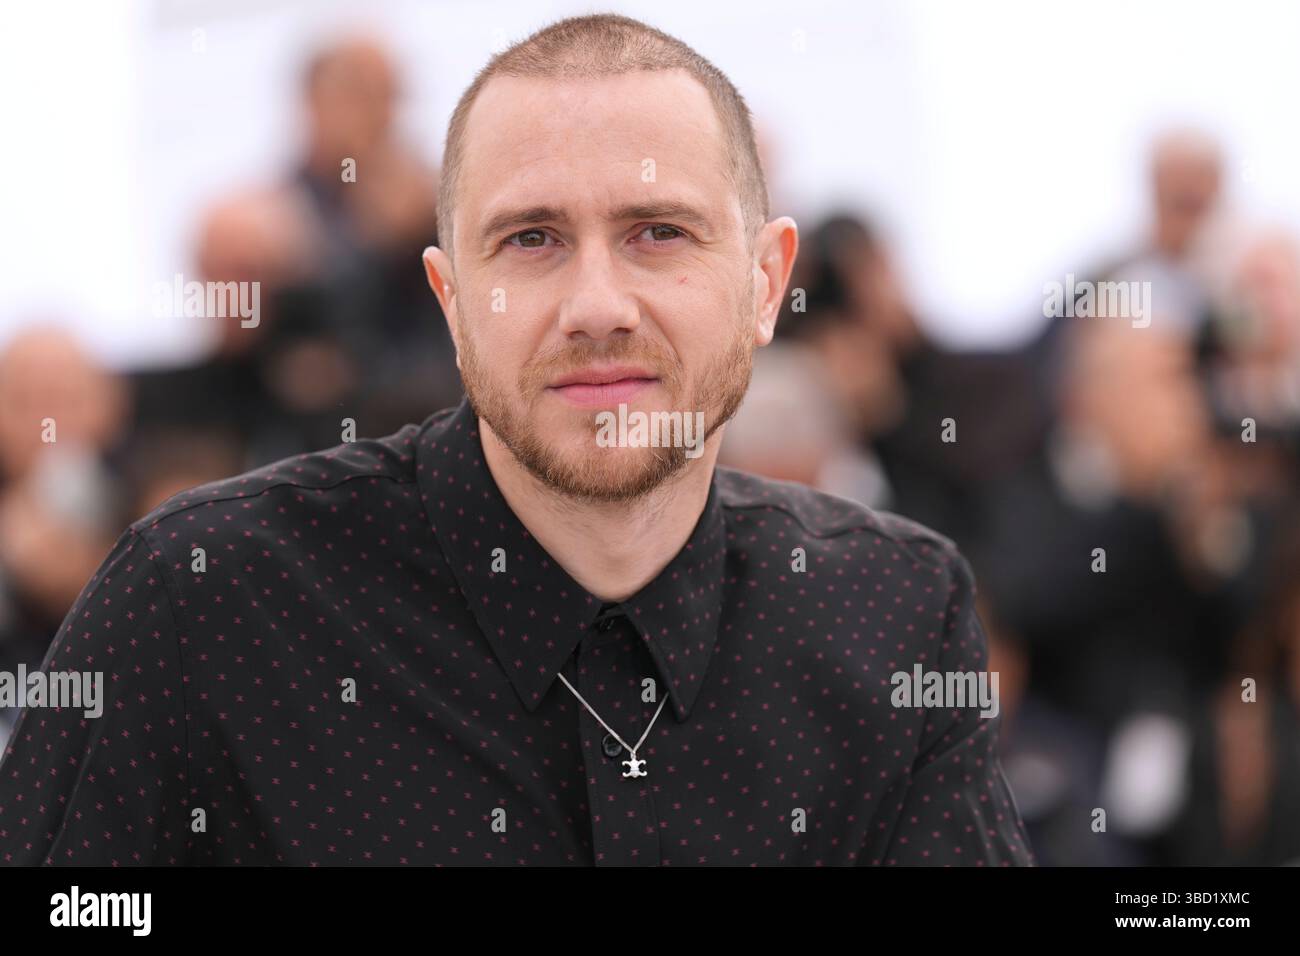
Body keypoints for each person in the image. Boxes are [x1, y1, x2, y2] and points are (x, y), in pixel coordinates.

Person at [0, 13, 1032, 866]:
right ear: (450, 302)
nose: (597, 304)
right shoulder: (201, 597)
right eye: (531, 238)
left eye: (657, 232)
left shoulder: (894, 611)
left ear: (764, 284)